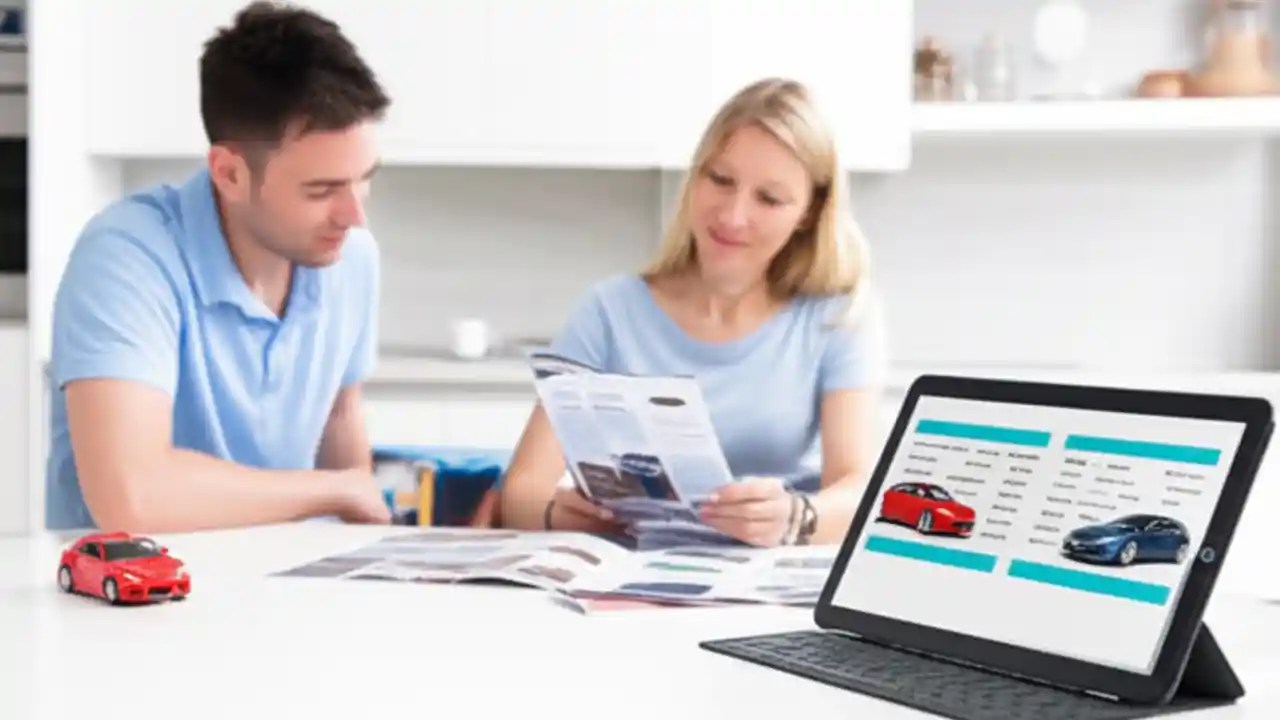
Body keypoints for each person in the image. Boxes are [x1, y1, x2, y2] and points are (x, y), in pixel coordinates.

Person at [45, 1, 394, 532]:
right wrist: (337, 491)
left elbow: (340, 416)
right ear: (229, 174)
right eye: (321, 190)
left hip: (291, 585)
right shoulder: (127, 256)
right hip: (135, 596)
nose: (353, 214)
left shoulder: (351, 255)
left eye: (363, 178)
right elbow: (133, 498)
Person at [500, 78, 888, 547]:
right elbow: (521, 490)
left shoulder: (836, 318)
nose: (733, 215)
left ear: (809, 211)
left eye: (768, 198)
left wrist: (796, 517)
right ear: (695, 174)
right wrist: (551, 513)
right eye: (720, 180)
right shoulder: (610, 312)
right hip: (632, 576)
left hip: (774, 576)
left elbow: (858, 490)